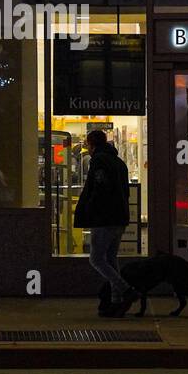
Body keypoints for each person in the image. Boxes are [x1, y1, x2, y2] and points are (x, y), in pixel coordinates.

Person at [72, 129, 136, 317]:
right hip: (120, 217)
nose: (88, 149)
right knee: (110, 258)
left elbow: (99, 189)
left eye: (88, 145)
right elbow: (125, 191)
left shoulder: (99, 161)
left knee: (96, 259)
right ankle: (116, 302)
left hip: (105, 217)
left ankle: (125, 290)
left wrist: (90, 209)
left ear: (92, 144)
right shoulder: (119, 162)